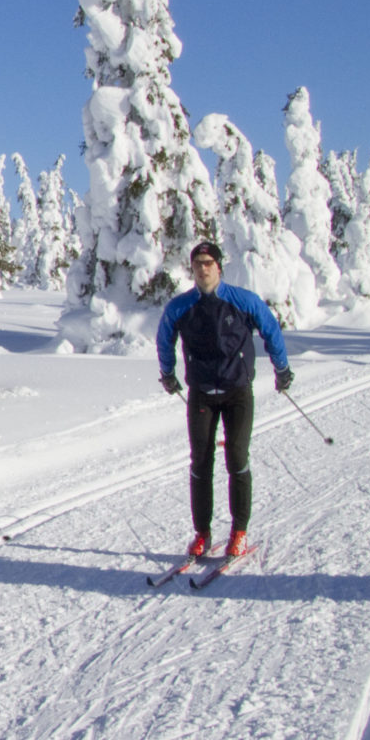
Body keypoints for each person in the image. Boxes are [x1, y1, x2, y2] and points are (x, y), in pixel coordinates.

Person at [156, 239, 293, 559]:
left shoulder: (242, 301)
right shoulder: (181, 307)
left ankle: (239, 532)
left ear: (219, 267)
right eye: (197, 264)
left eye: (208, 263)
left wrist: (282, 368)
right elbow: (164, 338)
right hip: (201, 393)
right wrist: (167, 372)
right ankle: (202, 533)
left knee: (237, 458)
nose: (203, 269)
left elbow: (270, 329)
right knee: (200, 462)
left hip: (237, 393)